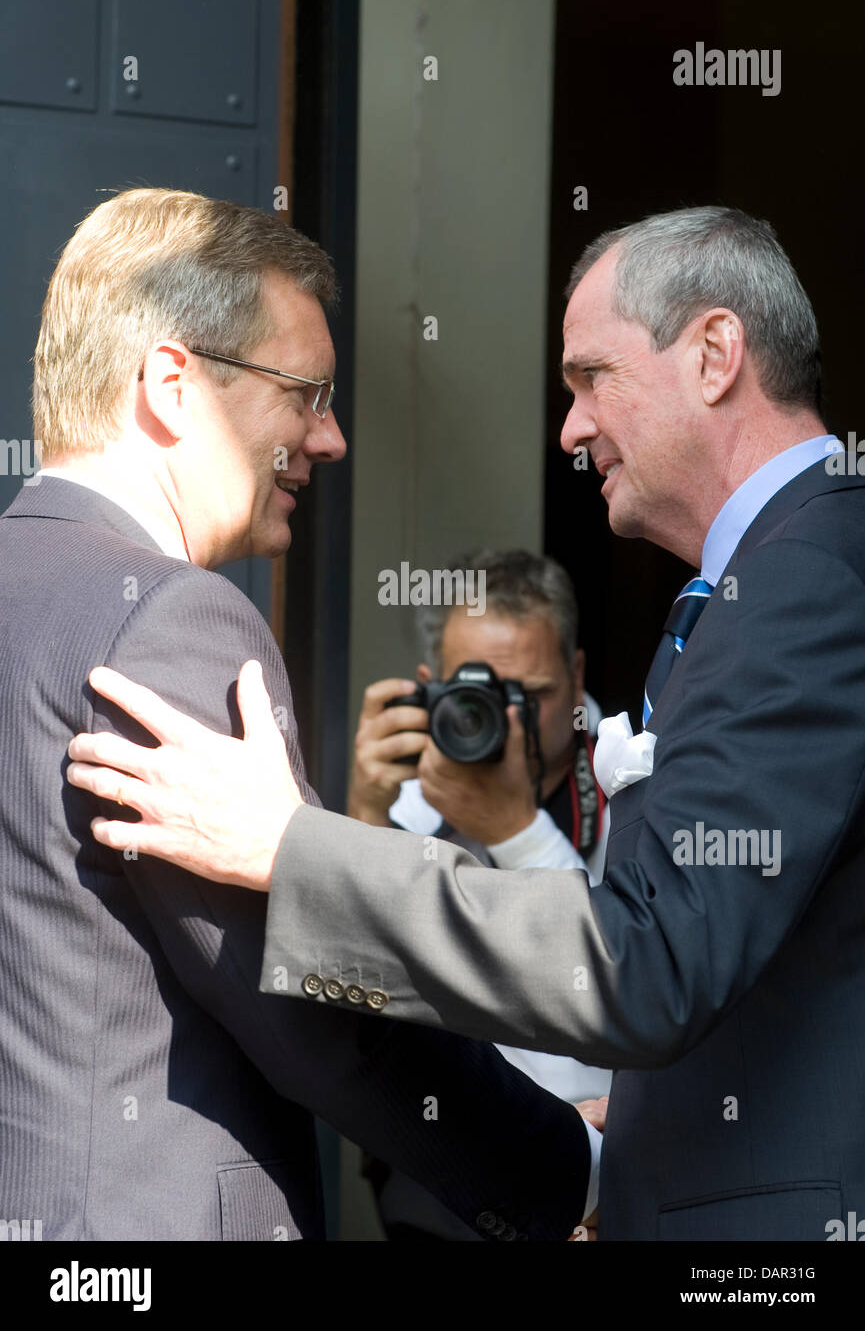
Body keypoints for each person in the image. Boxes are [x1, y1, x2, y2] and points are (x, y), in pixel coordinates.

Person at [67, 206, 864, 1241]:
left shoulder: (808, 578)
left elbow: (648, 958)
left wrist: (294, 848)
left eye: (591, 379)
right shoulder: (764, 574)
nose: (571, 429)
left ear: (715, 353)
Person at [0, 187, 601, 1242]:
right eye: (305, 393)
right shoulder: (173, 622)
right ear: (172, 385)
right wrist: (570, 1168)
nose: (330, 439)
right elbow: (310, 1005)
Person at [350, 548, 612, 1238]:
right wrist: (360, 824)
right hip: (443, 1178)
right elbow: (354, 1002)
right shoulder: (406, 794)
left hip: (598, 1176)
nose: (508, 719)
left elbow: (634, 979)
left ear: (577, 674)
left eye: (534, 693)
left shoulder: (637, 779)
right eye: (481, 695)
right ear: (430, 687)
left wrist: (516, 830)